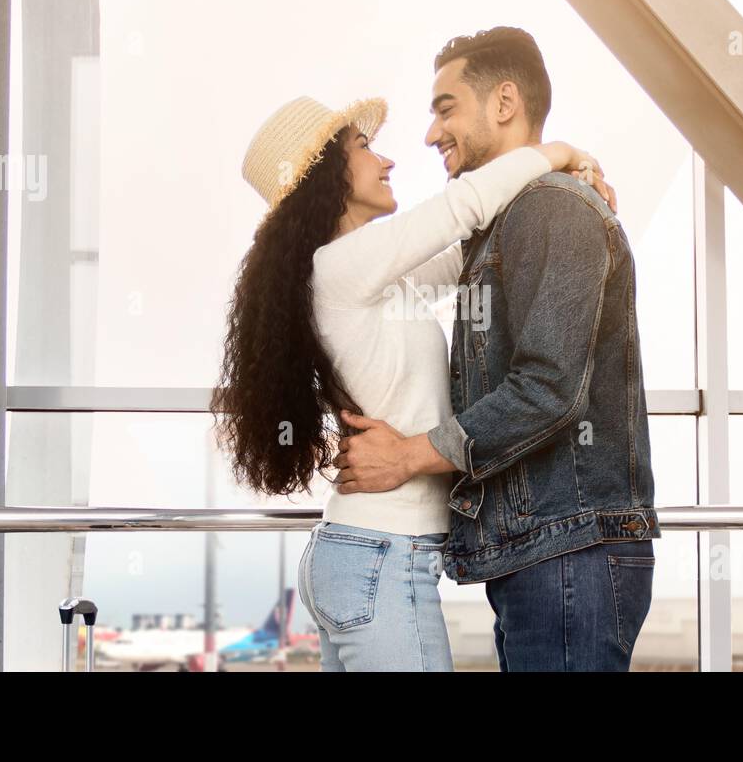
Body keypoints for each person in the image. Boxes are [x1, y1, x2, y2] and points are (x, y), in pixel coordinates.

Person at [211, 92, 612, 671]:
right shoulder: (342, 266)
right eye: (365, 147)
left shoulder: (364, 276)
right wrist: (560, 151)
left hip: (366, 556)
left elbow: (468, 253)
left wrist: (570, 186)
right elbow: (462, 208)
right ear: (328, 177)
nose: (387, 160)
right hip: (380, 558)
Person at [331, 27, 662, 672]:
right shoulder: (516, 220)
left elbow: (547, 389)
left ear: (504, 102)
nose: (430, 134)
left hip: (568, 551)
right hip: (546, 550)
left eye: (445, 107)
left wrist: (408, 456)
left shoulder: (552, 211)